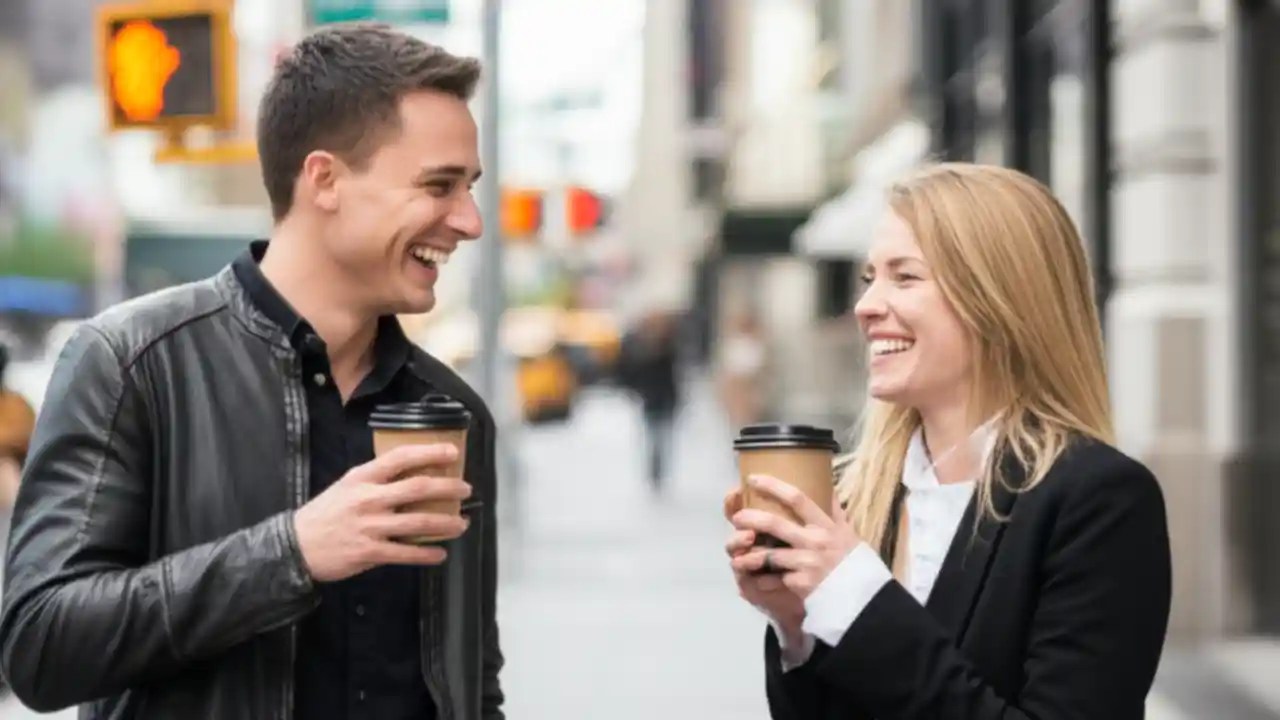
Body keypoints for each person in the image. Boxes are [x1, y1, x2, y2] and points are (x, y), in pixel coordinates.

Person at [0, 24, 504, 719]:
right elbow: (41, 647)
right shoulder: (131, 364)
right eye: (439, 186)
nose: (470, 220)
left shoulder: (453, 412)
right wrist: (290, 553)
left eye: (469, 187)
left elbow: (471, 685)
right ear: (324, 179)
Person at [723, 163, 1171, 719]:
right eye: (870, 278)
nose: (866, 306)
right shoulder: (856, 495)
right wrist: (798, 625)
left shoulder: (1097, 501)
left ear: (1000, 299)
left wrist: (854, 598)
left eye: (904, 277)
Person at [617, 309, 682, 490]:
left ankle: (657, 469)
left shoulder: (668, 343)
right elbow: (630, 370)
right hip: (651, 399)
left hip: (665, 398)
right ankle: (655, 469)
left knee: (661, 437)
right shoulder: (640, 345)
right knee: (655, 436)